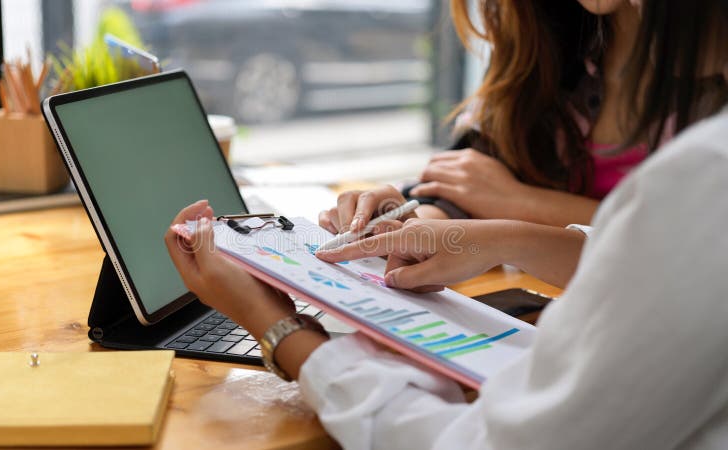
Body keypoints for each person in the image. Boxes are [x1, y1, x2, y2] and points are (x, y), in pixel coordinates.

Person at [165, 0, 728, 448]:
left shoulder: (702, 174)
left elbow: (470, 442)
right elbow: (640, 254)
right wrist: (446, 227)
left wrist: (276, 327)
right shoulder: (566, 74)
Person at [319, 0, 726, 235]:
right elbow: (467, 185)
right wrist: (407, 223)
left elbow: (692, 247)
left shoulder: (712, 84)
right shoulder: (548, 50)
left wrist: (526, 204)